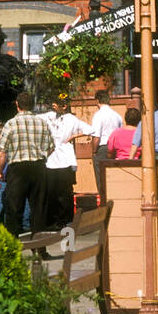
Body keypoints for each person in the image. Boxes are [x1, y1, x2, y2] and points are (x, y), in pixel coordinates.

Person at [0, 91, 53, 238]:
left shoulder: (10, 124)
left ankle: (13, 247)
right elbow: (51, 146)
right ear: (32, 105)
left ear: (17, 105)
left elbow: (2, 152)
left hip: (17, 169)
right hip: (38, 167)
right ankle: (39, 249)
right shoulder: (42, 122)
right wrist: (43, 156)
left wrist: (0, 172)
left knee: (14, 209)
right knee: (38, 209)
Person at [38, 95, 92, 228]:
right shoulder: (49, 116)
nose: (54, 105)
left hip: (66, 160)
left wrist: (74, 136)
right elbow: (35, 118)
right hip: (51, 160)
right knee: (52, 192)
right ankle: (55, 220)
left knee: (65, 193)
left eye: (57, 103)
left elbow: (90, 129)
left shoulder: (71, 119)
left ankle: (66, 220)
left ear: (64, 106)